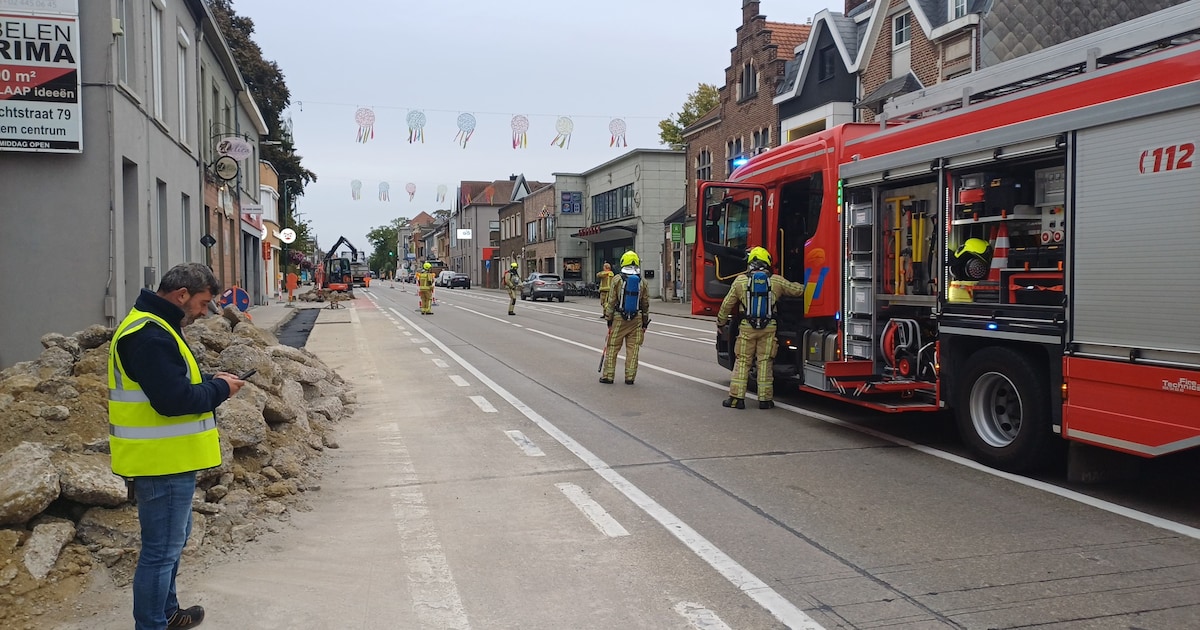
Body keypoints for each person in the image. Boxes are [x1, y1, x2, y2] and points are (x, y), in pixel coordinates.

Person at [108, 262, 246, 630]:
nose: (204, 312)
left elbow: (172, 383)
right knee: (160, 551)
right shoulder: (149, 335)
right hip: (160, 463)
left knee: (172, 542)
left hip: (170, 460)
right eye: (202, 303)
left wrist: (211, 380)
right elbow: (171, 400)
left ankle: (167, 614)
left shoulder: (158, 326)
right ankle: (153, 623)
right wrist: (220, 390)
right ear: (181, 295)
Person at [716, 246, 805, 409]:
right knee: (765, 362)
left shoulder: (741, 281)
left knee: (743, 361)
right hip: (769, 328)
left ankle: (736, 399)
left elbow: (726, 305)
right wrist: (816, 282)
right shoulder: (776, 281)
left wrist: (720, 323)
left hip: (746, 328)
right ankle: (765, 400)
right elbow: (797, 290)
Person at [601, 251, 649, 385]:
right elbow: (645, 304)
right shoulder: (642, 281)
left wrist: (608, 319)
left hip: (618, 319)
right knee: (633, 350)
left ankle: (608, 376)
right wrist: (645, 322)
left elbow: (611, 301)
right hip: (637, 320)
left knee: (612, 347)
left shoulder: (617, 279)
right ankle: (630, 377)